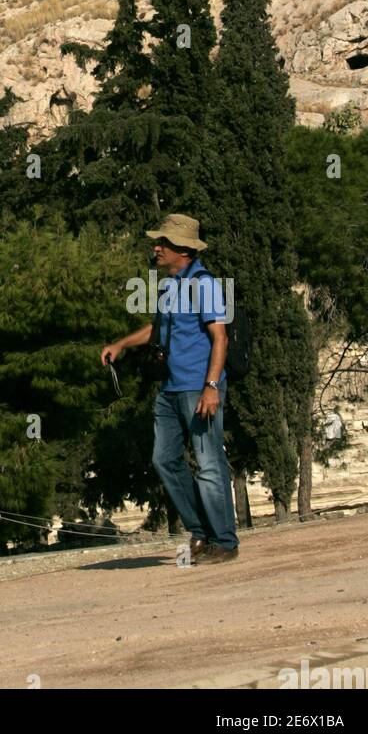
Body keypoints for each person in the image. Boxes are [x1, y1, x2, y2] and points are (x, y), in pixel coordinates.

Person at [101, 213, 239, 563]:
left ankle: (224, 542)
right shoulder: (170, 285)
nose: (156, 248)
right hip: (170, 389)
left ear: (183, 250)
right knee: (164, 460)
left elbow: (219, 337)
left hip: (198, 388)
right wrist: (122, 344)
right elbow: (156, 330)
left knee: (208, 464)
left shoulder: (204, 284)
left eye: (162, 243)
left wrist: (211, 387)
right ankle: (201, 533)